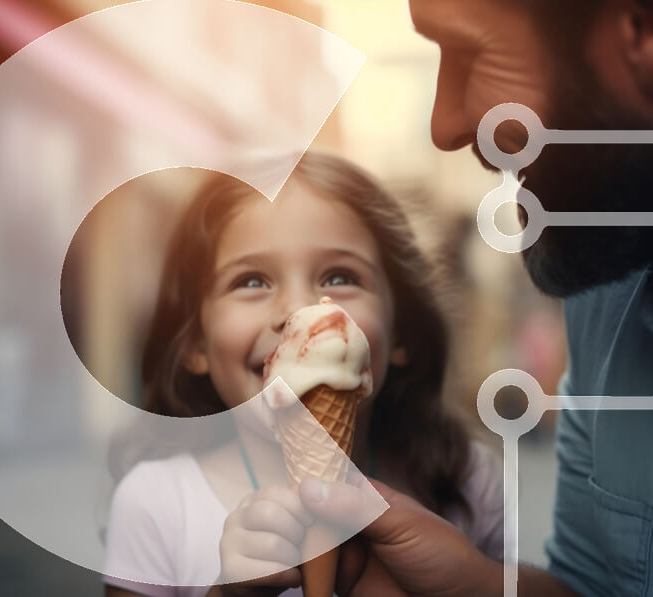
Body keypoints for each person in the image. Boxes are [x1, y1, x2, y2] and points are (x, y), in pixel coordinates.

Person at [299, 0, 653, 595]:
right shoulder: (610, 288)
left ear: (647, 23)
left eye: (474, 52)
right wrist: (476, 587)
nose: (445, 125)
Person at [102, 152, 510, 597]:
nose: (300, 310)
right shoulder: (157, 503)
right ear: (195, 343)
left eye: (339, 276)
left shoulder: (467, 482)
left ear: (401, 333)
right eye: (252, 281)